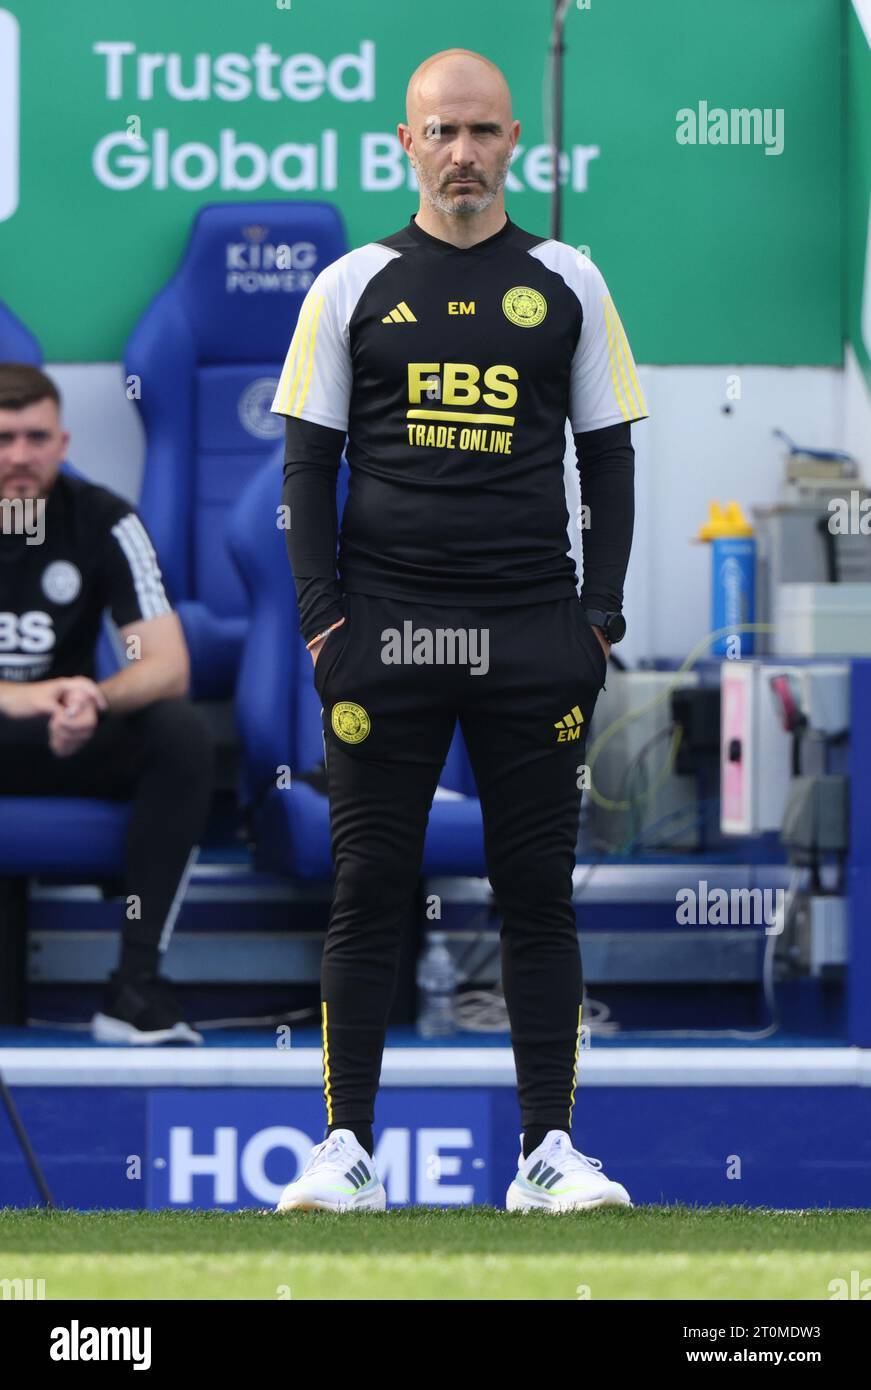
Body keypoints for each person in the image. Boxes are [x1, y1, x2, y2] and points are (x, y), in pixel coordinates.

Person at [272, 48, 647, 1213]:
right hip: (383, 635)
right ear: (404, 144)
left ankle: (549, 1154)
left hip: (537, 633)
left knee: (537, 889)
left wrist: (599, 620)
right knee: (368, 883)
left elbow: (612, 458)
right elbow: (305, 466)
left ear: (514, 144)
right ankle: (345, 1152)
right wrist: (324, 621)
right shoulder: (349, 285)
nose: (463, 154)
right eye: (441, 132)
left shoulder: (571, 279)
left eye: (483, 132)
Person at [0, 363, 213, 1044]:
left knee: (178, 731)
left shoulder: (103, 519)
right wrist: (28, 697)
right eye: (3, 439)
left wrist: (94, 696)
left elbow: (166, 664)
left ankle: (133, 987)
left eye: (36, 438)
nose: (20, 457)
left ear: (63, 443)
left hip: (65, 738)